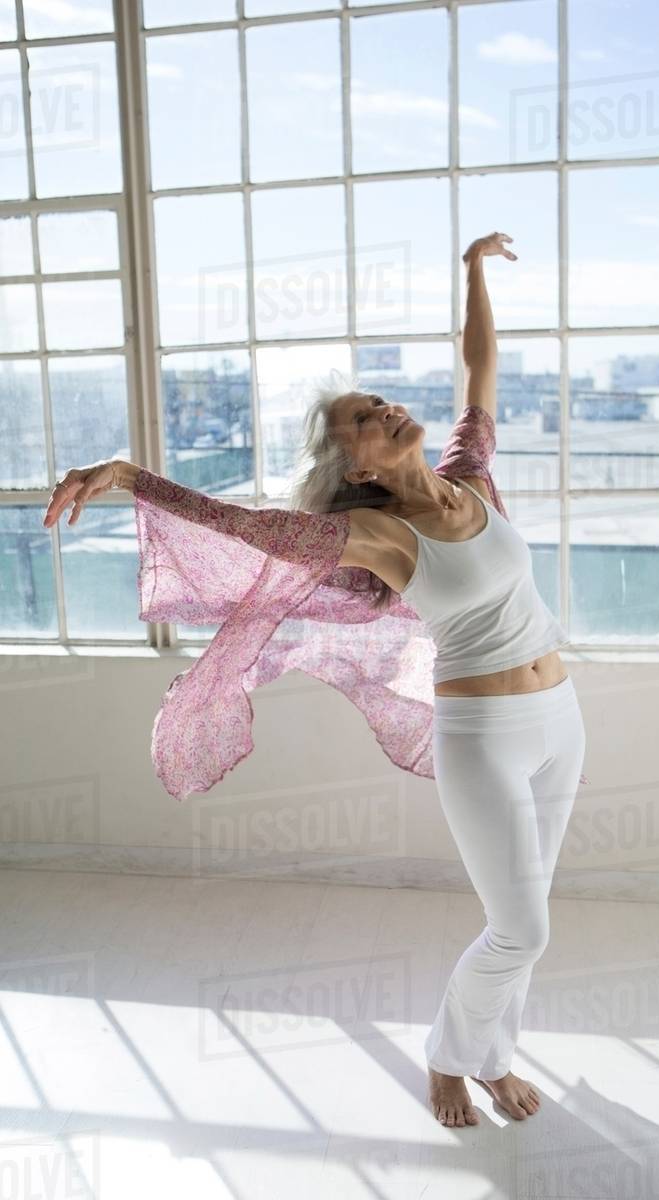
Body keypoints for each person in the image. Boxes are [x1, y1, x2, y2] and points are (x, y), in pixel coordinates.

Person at [43, 232, 587, 1129]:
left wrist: (471, 271)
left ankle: (490, 1056)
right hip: (484, 740)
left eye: (374, 400)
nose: (380, 408)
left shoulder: (472, 477)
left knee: (527, 919)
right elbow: (247, 525)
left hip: (561, 720)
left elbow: (480, 365)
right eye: (362, 421)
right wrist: (132, 475)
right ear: (358, 469)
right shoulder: (377, 537)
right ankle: (449, 1060)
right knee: (521, 927)